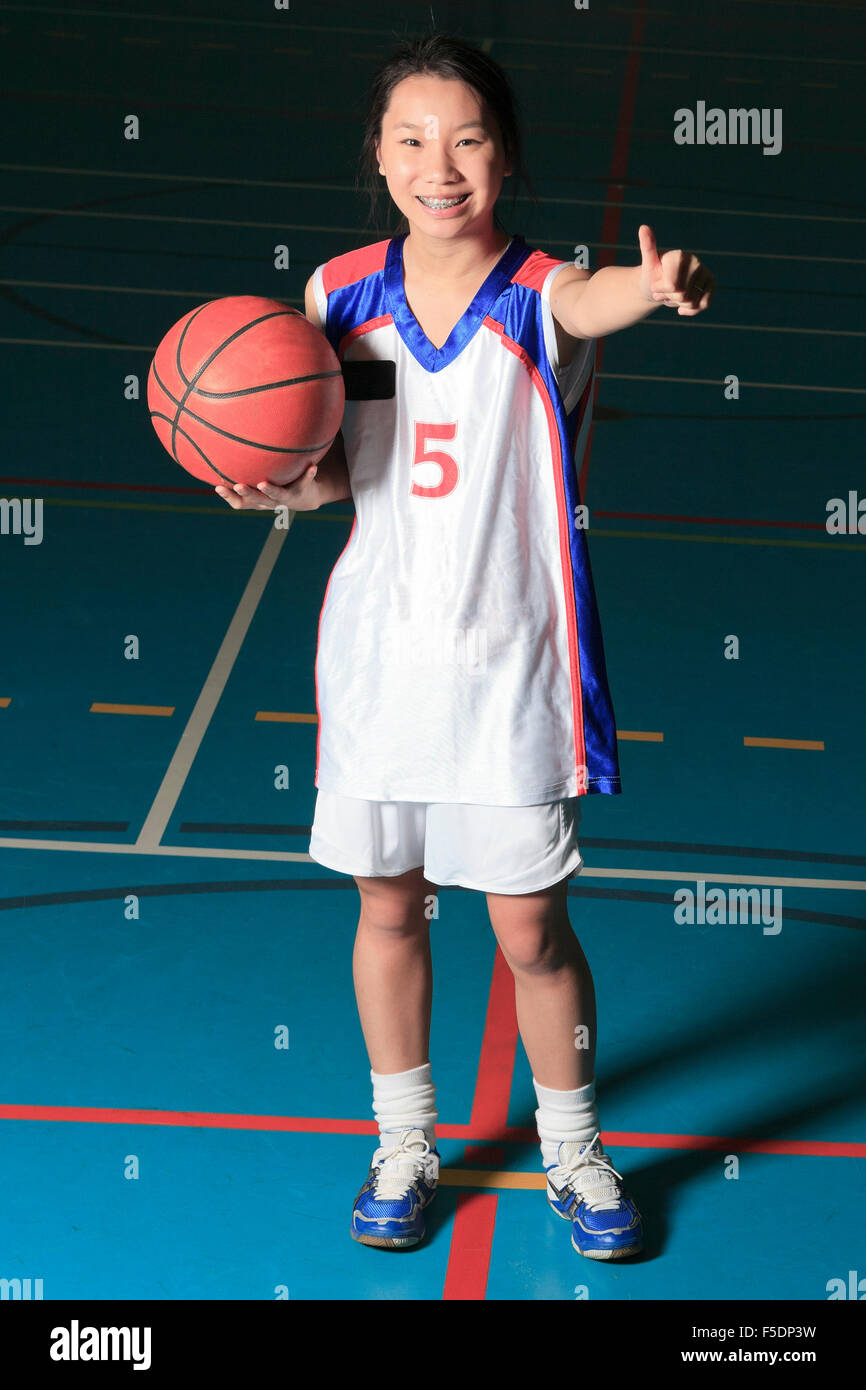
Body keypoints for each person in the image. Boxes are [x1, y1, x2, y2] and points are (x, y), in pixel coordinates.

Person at [216, 33, 715, 1263]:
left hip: (512, 669)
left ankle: (571, 1148)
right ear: (378, 158)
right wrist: (267, 479)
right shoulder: (333, 296)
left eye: (468, 139)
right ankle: (403, 1139)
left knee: (528, 930)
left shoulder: (544, 291)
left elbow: (590, 299)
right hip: (380, 660)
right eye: (410, 140)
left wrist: (651, 290)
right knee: (388, 910)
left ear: (504, 156)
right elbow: (334, 472)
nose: (439, 166)